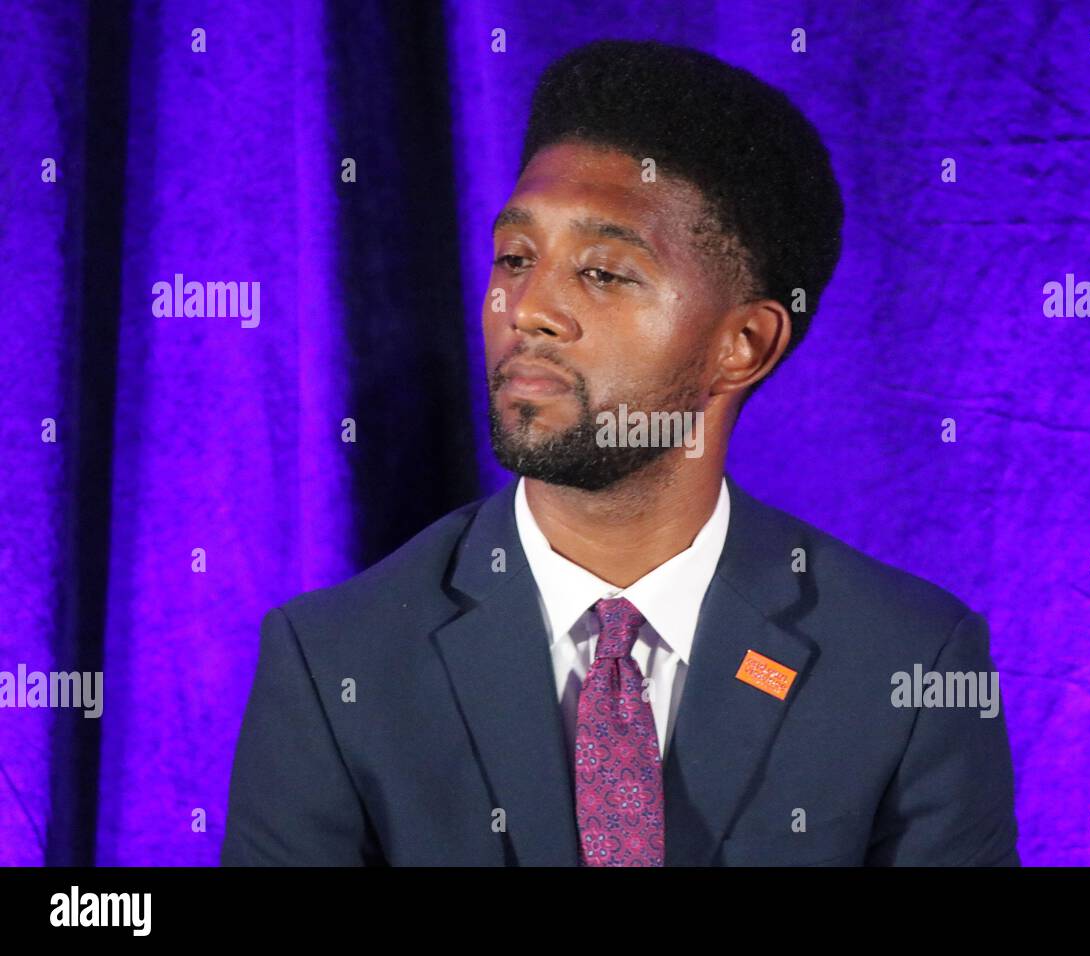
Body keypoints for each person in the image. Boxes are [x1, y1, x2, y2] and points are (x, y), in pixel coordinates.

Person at [222, 38, 1019, 867]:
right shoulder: (332, 663)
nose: (526, 307)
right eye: (516, 258)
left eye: (602, 272)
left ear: (742, 344)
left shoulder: (910, 663)